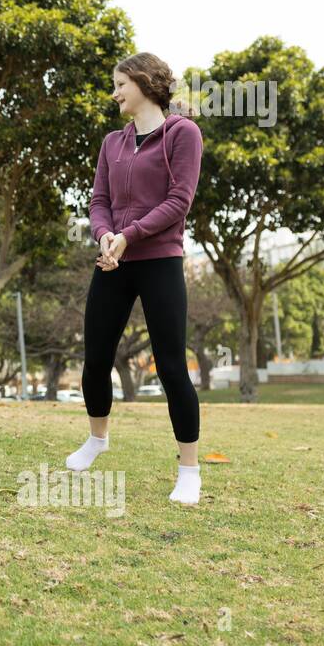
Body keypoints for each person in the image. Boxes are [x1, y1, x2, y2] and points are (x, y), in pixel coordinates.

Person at [68, 52, 204, 504]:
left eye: (120, 83)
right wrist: (107, 236)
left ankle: (189, 469)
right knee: (95, 357)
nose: (115, 92)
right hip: (114, 258)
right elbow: (98, 199)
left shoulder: (182, 133)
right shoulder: (113, 142)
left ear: (144, 83)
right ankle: (97, 439)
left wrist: (129, 236)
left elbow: (179, 201)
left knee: (170, 366)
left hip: (160, 259)